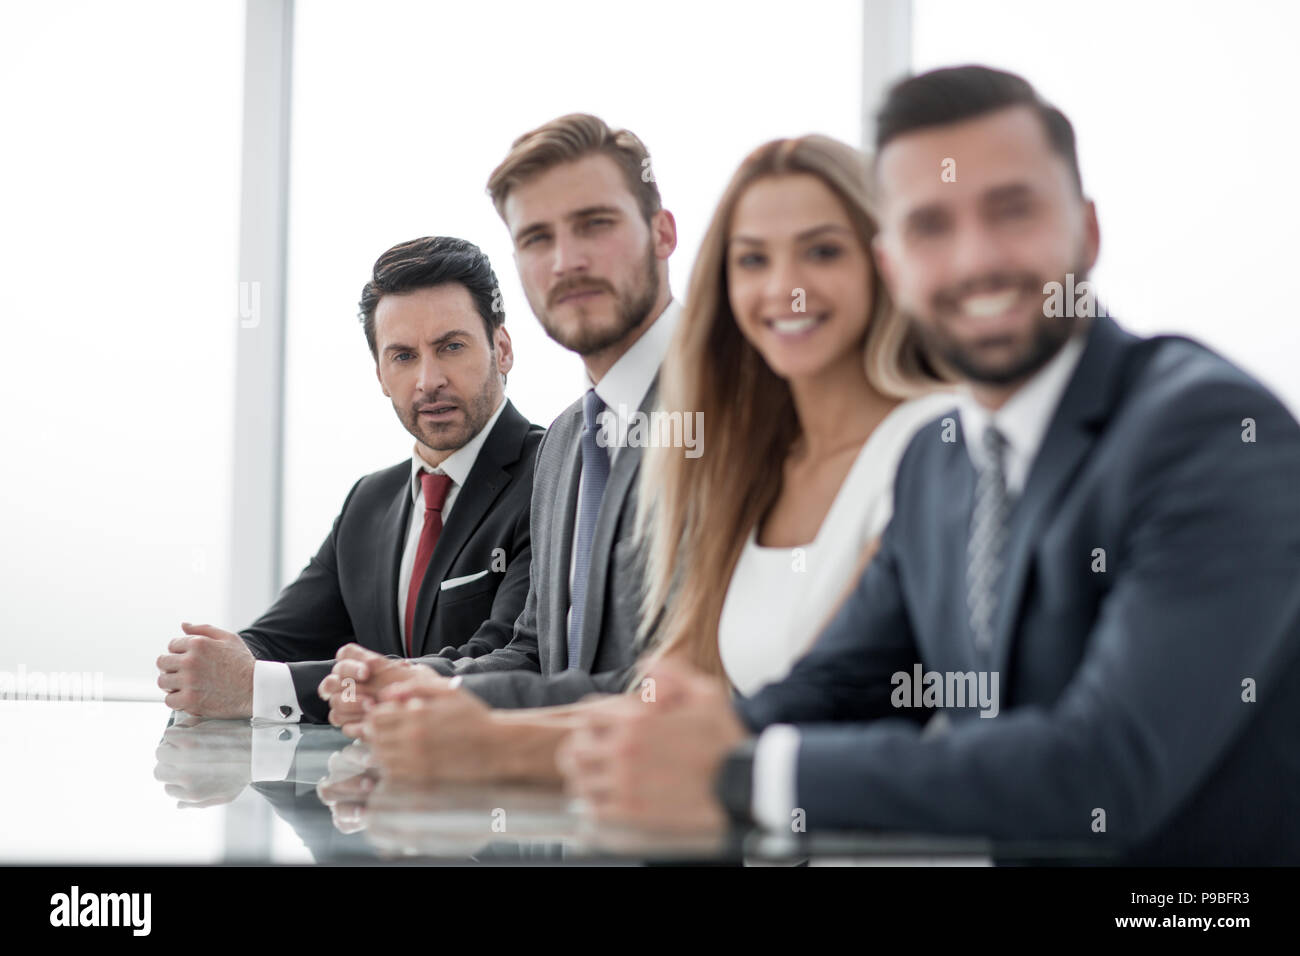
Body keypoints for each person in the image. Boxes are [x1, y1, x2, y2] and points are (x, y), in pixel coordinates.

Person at [557, 65, 1300, 866]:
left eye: (1012, 211)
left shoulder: (1212, 432)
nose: (975, 259)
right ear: (894, 266)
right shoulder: (937, 464)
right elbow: (842, 686)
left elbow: (1105, 768)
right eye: (930, 227)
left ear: (1088, 230)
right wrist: (700, 728)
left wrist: (748, 771)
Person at [359, 134, 957, 782]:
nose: (787, 288)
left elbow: (799, 705)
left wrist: (496, 740)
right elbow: (680, 681)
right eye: (752, 260)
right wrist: (439, 700)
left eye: (822, 250)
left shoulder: (759, 428)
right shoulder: (571, 443)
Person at [319, 113, 681, 737]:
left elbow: (690, 680)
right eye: (537, 238)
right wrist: (425, 686)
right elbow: (538, 654)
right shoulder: (567, 442)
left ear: (662, 233)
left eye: (595, 223)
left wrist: (462, 708)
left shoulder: (732, 408)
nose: (566, 261)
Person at [156, 236, 542, 723]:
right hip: (373, 789)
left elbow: (503, 659)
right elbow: (275, 640)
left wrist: (256, 687)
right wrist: (213, 667)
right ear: (380, 373)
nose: (428, 379)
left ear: (501, 349)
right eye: (402, 356)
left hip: (492, 788)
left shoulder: (551, 473)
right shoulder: (369, 502)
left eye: (451, 347)